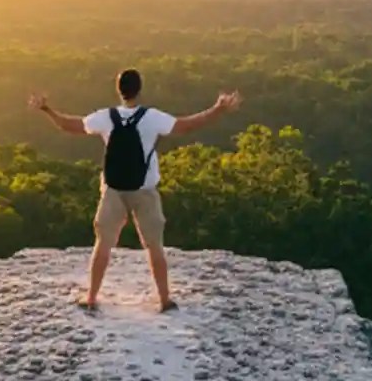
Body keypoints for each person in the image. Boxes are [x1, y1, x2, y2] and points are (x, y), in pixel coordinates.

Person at [29, 68, 242, 312]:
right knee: (154, 246)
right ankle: (164, 299)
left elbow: (70, 126)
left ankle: (91, 297)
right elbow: (187, 126)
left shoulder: (107, 117)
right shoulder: (151, 117)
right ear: (139, 89)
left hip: (113, 190)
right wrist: (219, 109)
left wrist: (47, 110)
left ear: (118, 90)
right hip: (145, 191)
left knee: (103, 245)